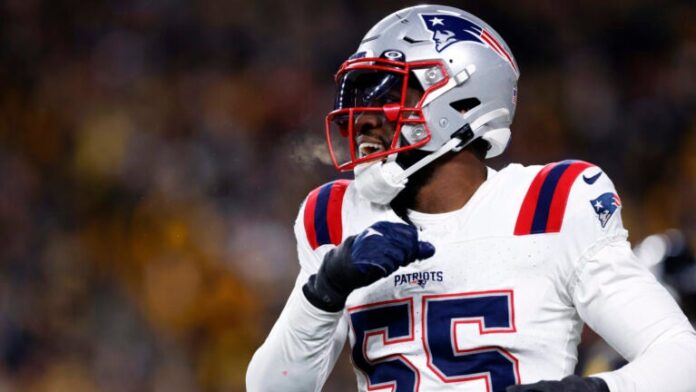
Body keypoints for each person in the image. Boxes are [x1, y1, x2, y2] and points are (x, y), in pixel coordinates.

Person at [246, 4, 696, 392]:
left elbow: (682, 358)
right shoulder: (337, 217)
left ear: (462, 101)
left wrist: (593, 389)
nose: (362, 118)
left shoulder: (551, 204)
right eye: (359, 97)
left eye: (388, 91)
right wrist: (324, 293)